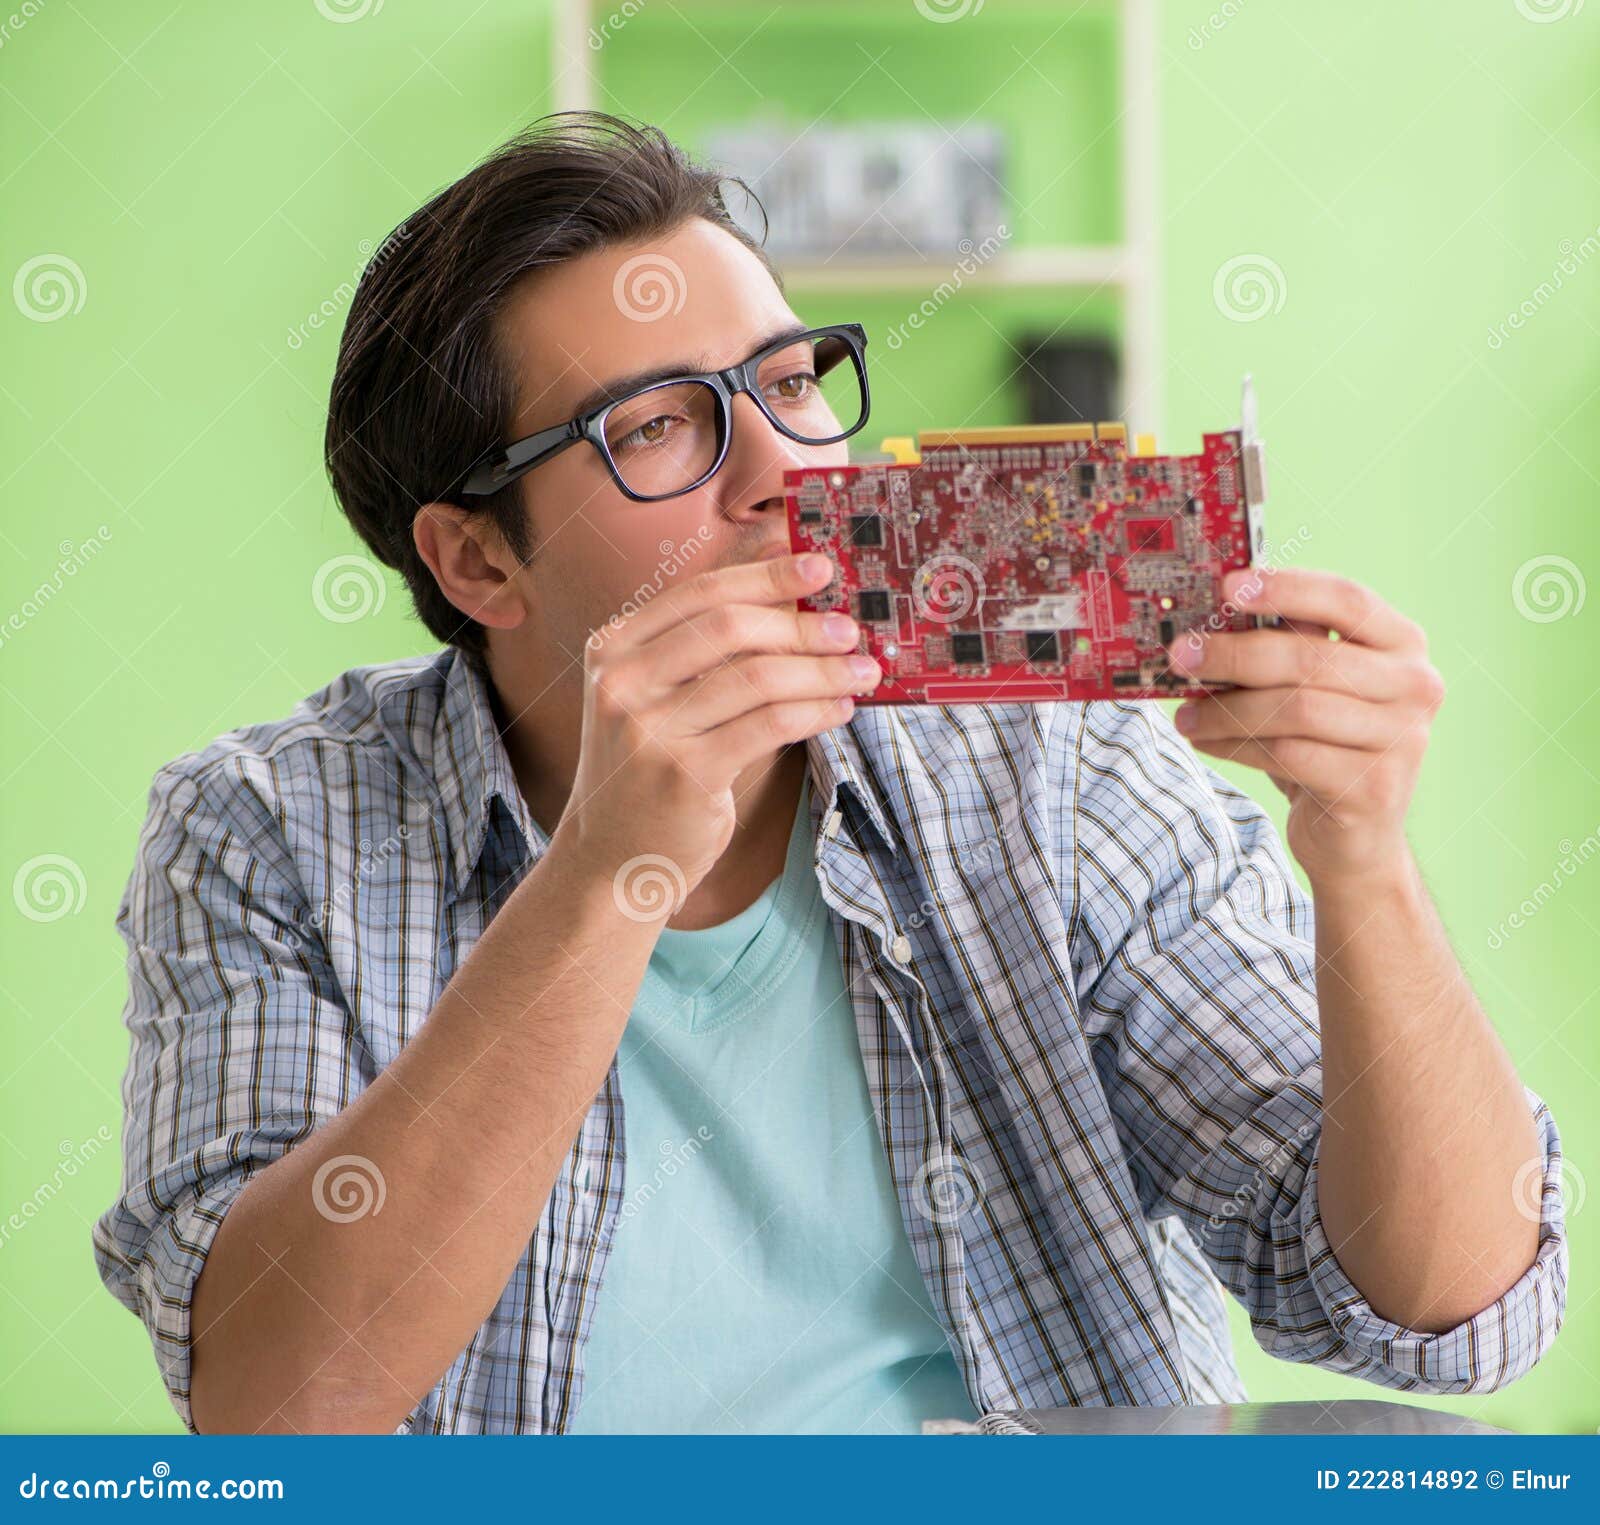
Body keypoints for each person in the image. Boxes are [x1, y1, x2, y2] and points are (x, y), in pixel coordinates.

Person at [92, 113, 1567, 1436]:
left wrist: (1364, 852)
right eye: (659, 425)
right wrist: (612, 869)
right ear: (478, 560)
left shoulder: (1045, 766)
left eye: (791, 381)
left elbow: (1456, 1312)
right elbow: (280, 1411)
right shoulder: (265, 828)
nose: (782, 473)